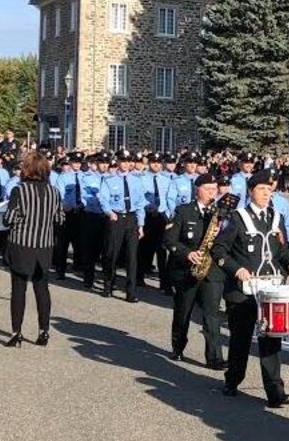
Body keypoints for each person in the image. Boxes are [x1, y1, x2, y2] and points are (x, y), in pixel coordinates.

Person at [210, 168, 289, 406]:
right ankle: (233, 380)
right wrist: (236, 269)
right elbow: (218, 250)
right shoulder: (237, 217)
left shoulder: (275, 217)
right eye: (261, 189)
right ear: (251, 191)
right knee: (240, 339)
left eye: (269, 190)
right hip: (243, 291)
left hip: (270, 290)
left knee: (271, 341)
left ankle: (275, 392)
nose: (266, 194)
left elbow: (282, 249)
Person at [167, 173, 236, 368]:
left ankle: (214, 357)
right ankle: (178, 347)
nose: (211, 193)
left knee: (212, 315)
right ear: (197, 190)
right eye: (207, 189)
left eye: (214, 190)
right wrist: (186, 253)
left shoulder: (223, 214)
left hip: (212, 271)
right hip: (187, 270)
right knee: (183, 312)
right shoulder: (183, 211)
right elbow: (169, 240)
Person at [2, 150, 65, 347]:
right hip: (44, 245)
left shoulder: (19, 190)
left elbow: (9, 218)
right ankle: (44, 331)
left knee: (19, 289)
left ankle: (16, 332)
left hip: (22, 243)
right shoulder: (54, 191)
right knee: (42, 288)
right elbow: (59, 219)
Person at [98, 150, 146, 301]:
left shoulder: (137, 180)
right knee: (112, 253)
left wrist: (141, 224)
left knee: (132, 257)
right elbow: (103, 198)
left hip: (131, 219)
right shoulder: (109, 180)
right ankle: (108, 285)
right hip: (116, 218)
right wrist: (109, 212)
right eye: (123, 161)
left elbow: (140, 203)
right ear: (117, 162)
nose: (125, 164)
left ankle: (131, 292)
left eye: (128, 161)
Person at [138, 151, 173, 290]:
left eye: (158, 163)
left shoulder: (167, 180)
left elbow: (170, 199)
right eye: (153, 162)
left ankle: (164, 282)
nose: (156, 165)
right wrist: (148, 208)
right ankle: (139, 277)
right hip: (147, 216)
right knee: (143, 248)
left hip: (162, 217)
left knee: (162, 250)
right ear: (149, 163)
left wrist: (170, 217)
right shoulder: (141, 179)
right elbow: (139, 197)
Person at [53, 151, 86, 279]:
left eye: (79, 163)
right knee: (63, 242)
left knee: (80, 242)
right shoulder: (63, 177)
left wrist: (83, 204)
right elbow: (58, 194)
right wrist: (63, 205)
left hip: (81, 212)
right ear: (70, 163)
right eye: (75, 162)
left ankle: (78, 266)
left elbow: (88, 194)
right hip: (67, 212)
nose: (77, 165)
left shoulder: (85, 176)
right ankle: (60, 269)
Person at [80, 152, 109, 289]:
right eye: (101, 163)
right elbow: (85, 196)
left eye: (106, 163)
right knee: (90, 249)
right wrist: (98, 199)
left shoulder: (111, 179)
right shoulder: (88, 178)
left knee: (107, 250)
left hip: (107, 217)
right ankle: (88, 278)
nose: (104, 165)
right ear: (96, 165)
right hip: (92, 215)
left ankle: (107, 281)